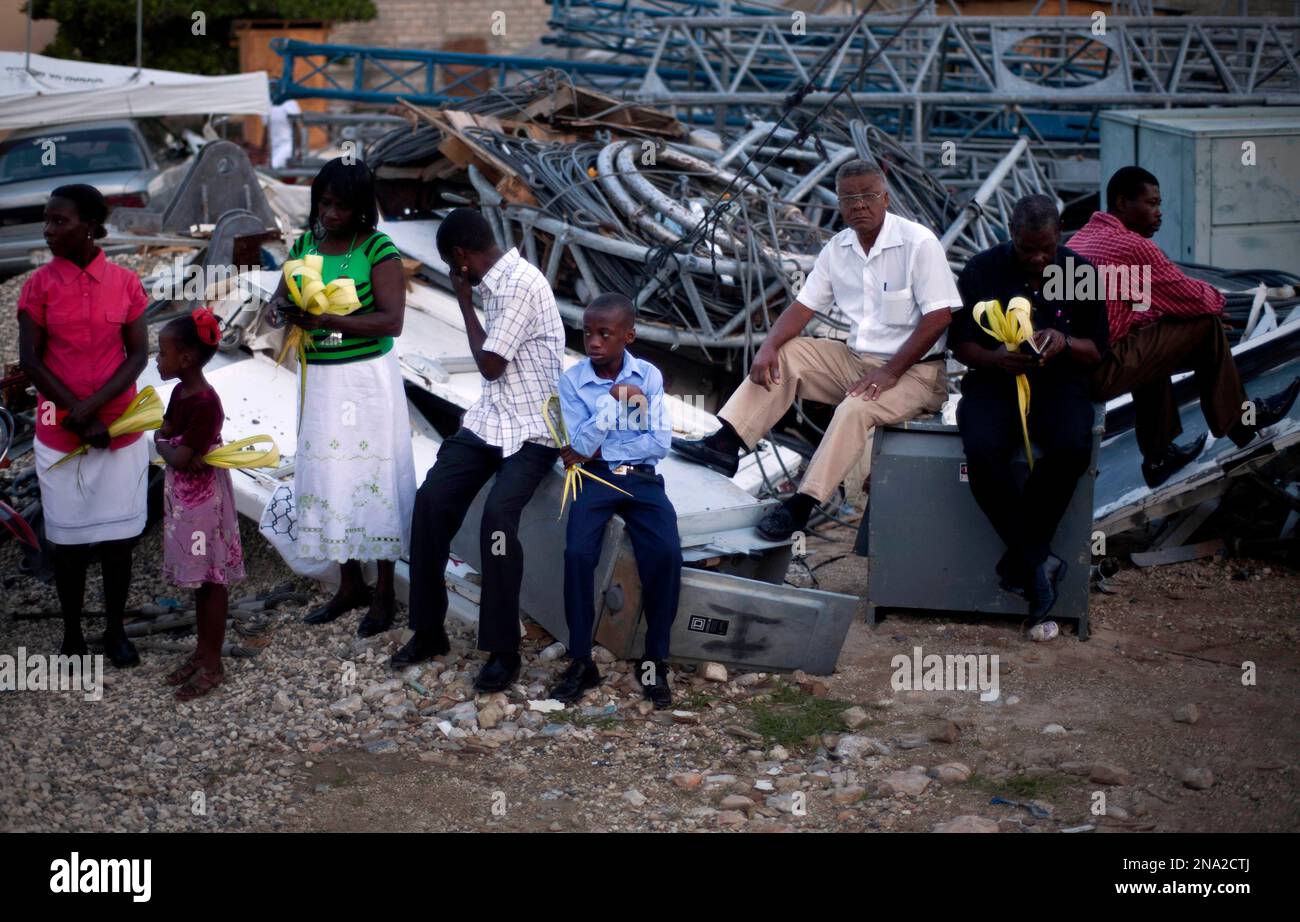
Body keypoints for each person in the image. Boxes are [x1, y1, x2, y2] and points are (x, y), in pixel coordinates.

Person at [672, 159, 960, 540]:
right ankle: (726, 445)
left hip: (916, 374)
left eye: (868, 195)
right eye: (849, 198)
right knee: (789, 353)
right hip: (858, 361)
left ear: (885, 198)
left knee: (855, 407)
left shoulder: (918, 243)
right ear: (839, 204)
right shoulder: (837, 249)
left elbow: (939, 318)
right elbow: (802, 307)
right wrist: (768, 347)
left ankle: (802, 505)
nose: (859, 205)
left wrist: (889, 373)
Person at [390, 208, 564, 694]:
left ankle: (503, 651)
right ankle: (428, 631)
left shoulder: (518, 286)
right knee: (430, 504)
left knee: (498, 525)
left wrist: (463, 303)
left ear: (462, 258)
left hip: (533, 427)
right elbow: (495, 382)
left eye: (450, 264)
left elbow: (489, 363)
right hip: (493, 419)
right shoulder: (497, 280)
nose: (452, 272)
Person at [1070, 166, 1299, 487]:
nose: (1159, 214)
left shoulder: (1081, 240)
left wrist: (1165, 323)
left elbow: (1130, 311)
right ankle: (1242, 420)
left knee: (1154, 342)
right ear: (1122, 203)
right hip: (1100, 369)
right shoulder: (1133, 246)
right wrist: (1213, 306)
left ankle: (1160, 454)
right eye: (1151, 204)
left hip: (1075, 369)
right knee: (1204, 323)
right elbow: (1198, 300)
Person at [269, 157, 416, 637]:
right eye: (325, 203)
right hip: (321, 381)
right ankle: (350, 582)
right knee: (333, 475)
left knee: (370, 473)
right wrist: (280, 311)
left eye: (342, 206)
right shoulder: (305, 244)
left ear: (361, 209)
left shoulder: (378, 249)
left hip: (365, 381)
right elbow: (277, 300)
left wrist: (330, 320)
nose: (330, 214)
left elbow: (391, 321)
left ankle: (386, 591)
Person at [949, 195, 1108, 624]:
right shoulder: (982, 270)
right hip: (995, 382)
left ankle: (1024, 562)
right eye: (1027, 250)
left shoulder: (1080, 273)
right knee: (982, 452)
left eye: (1047, 250)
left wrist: (1063, 340)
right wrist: (996, 357)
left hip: (1059, 384)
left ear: (1060, 238)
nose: (1038, 259)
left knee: (1073, 447)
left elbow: (1096, 350)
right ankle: (1040, 559)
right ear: (1011, 237)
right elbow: (961, 345)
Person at [17, 184, 150, 667]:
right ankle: (72, 635)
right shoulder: (38, 285)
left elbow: (137, 354)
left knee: (118, 543)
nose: (49, 230)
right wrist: (76, 412)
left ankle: (115, 632)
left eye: (60, 221)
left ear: (92, 226)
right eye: (47, 221)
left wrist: (93, 407)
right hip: (61, 432)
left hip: (119, 431)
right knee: (68, 543)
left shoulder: (126, 283)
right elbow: (29, 360)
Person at [551, 294, 679, 708]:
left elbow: (658, 443)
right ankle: (580, 659)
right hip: (594, 480)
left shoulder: (649, 376)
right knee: (575, 554)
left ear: (628, 335)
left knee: (664, 555)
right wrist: (614, 401)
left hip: (641, 480)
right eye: (588, 332)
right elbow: (581, 445)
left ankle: (654, 660)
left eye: (605, 334)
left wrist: (601, 447)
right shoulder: (573, 382)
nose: (594, 342)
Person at [154, 309, 245, 700]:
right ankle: (202, 652)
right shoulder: (180, 393)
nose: (157, 360)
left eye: (161, 353)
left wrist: (162, 444)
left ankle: (212, 662)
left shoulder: (206, 403)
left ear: (186, 359)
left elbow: (174, 449)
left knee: (210, 577)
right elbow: (173, 434)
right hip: (186, 499)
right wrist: (172, 443)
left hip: (203, 502)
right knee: (200, 579)